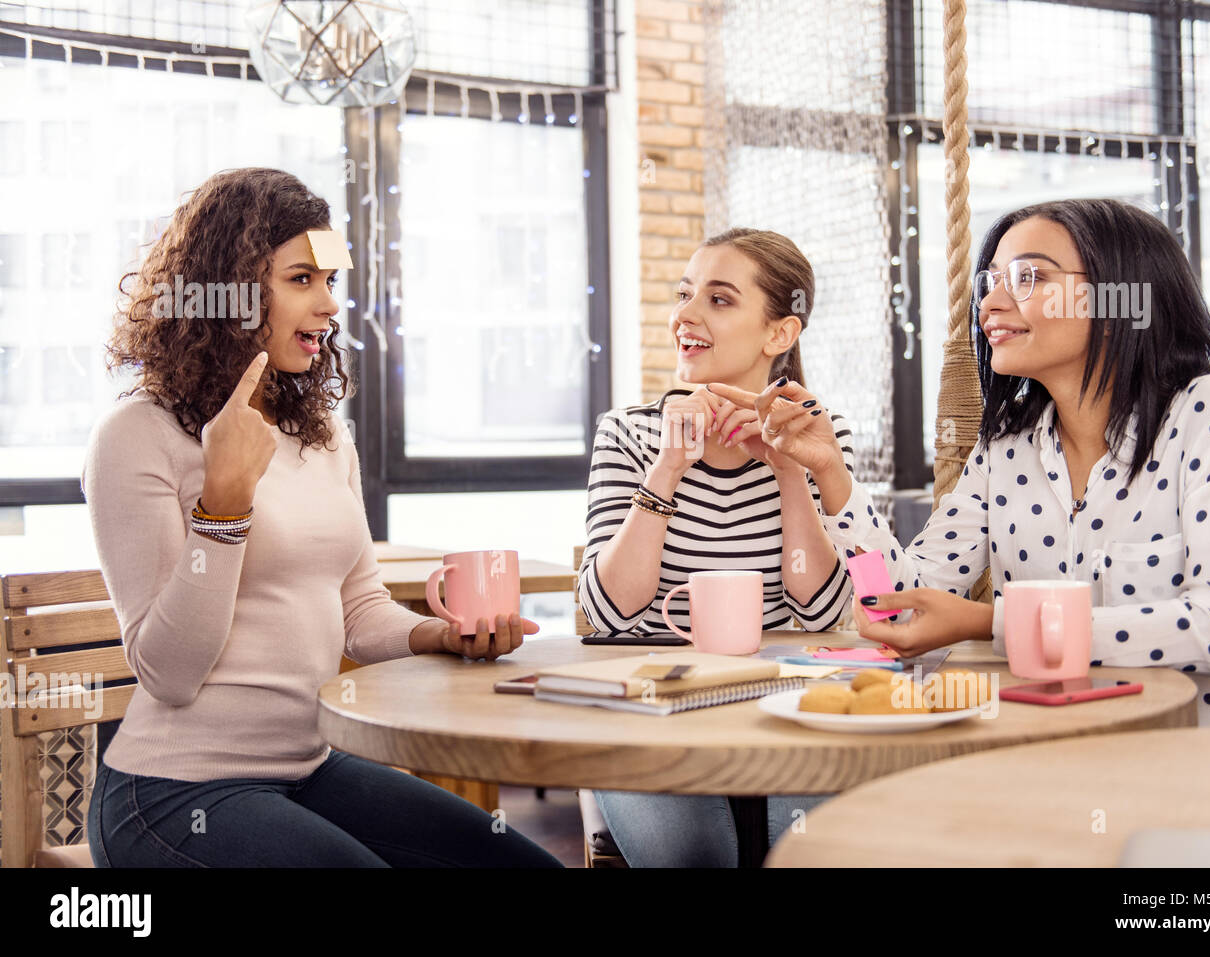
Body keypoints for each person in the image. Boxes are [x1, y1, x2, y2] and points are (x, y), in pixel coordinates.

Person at [83, 167, 561, 867]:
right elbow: (168, 671)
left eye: (330, 281)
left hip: (307, 770)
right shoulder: (138, 433)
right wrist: (224, 505)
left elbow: (360, 609)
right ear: (236, 290)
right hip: (172, 792)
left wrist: (440, 634)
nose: (330, 304)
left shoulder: (324, 433)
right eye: (302, 279)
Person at [713, 199, 1210, 727]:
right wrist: (830, 472)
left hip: (1179, 761)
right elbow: (899, 607)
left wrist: (991, 622)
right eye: (992, 281)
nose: (991, 304)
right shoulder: (1007, 443)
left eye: (1028, 278)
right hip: (1028, 751)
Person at [578, 228, 853, 866]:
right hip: (649, 710)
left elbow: (821, 614)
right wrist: (667, 468)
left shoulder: (817, 434)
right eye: (685, 294)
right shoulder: (626, 434)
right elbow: (611, 612)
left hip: (783, 705)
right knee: (693, 851)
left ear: (779, 334)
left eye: (720, 299)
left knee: (806, 847)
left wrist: (790, 471)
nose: (686, 315)